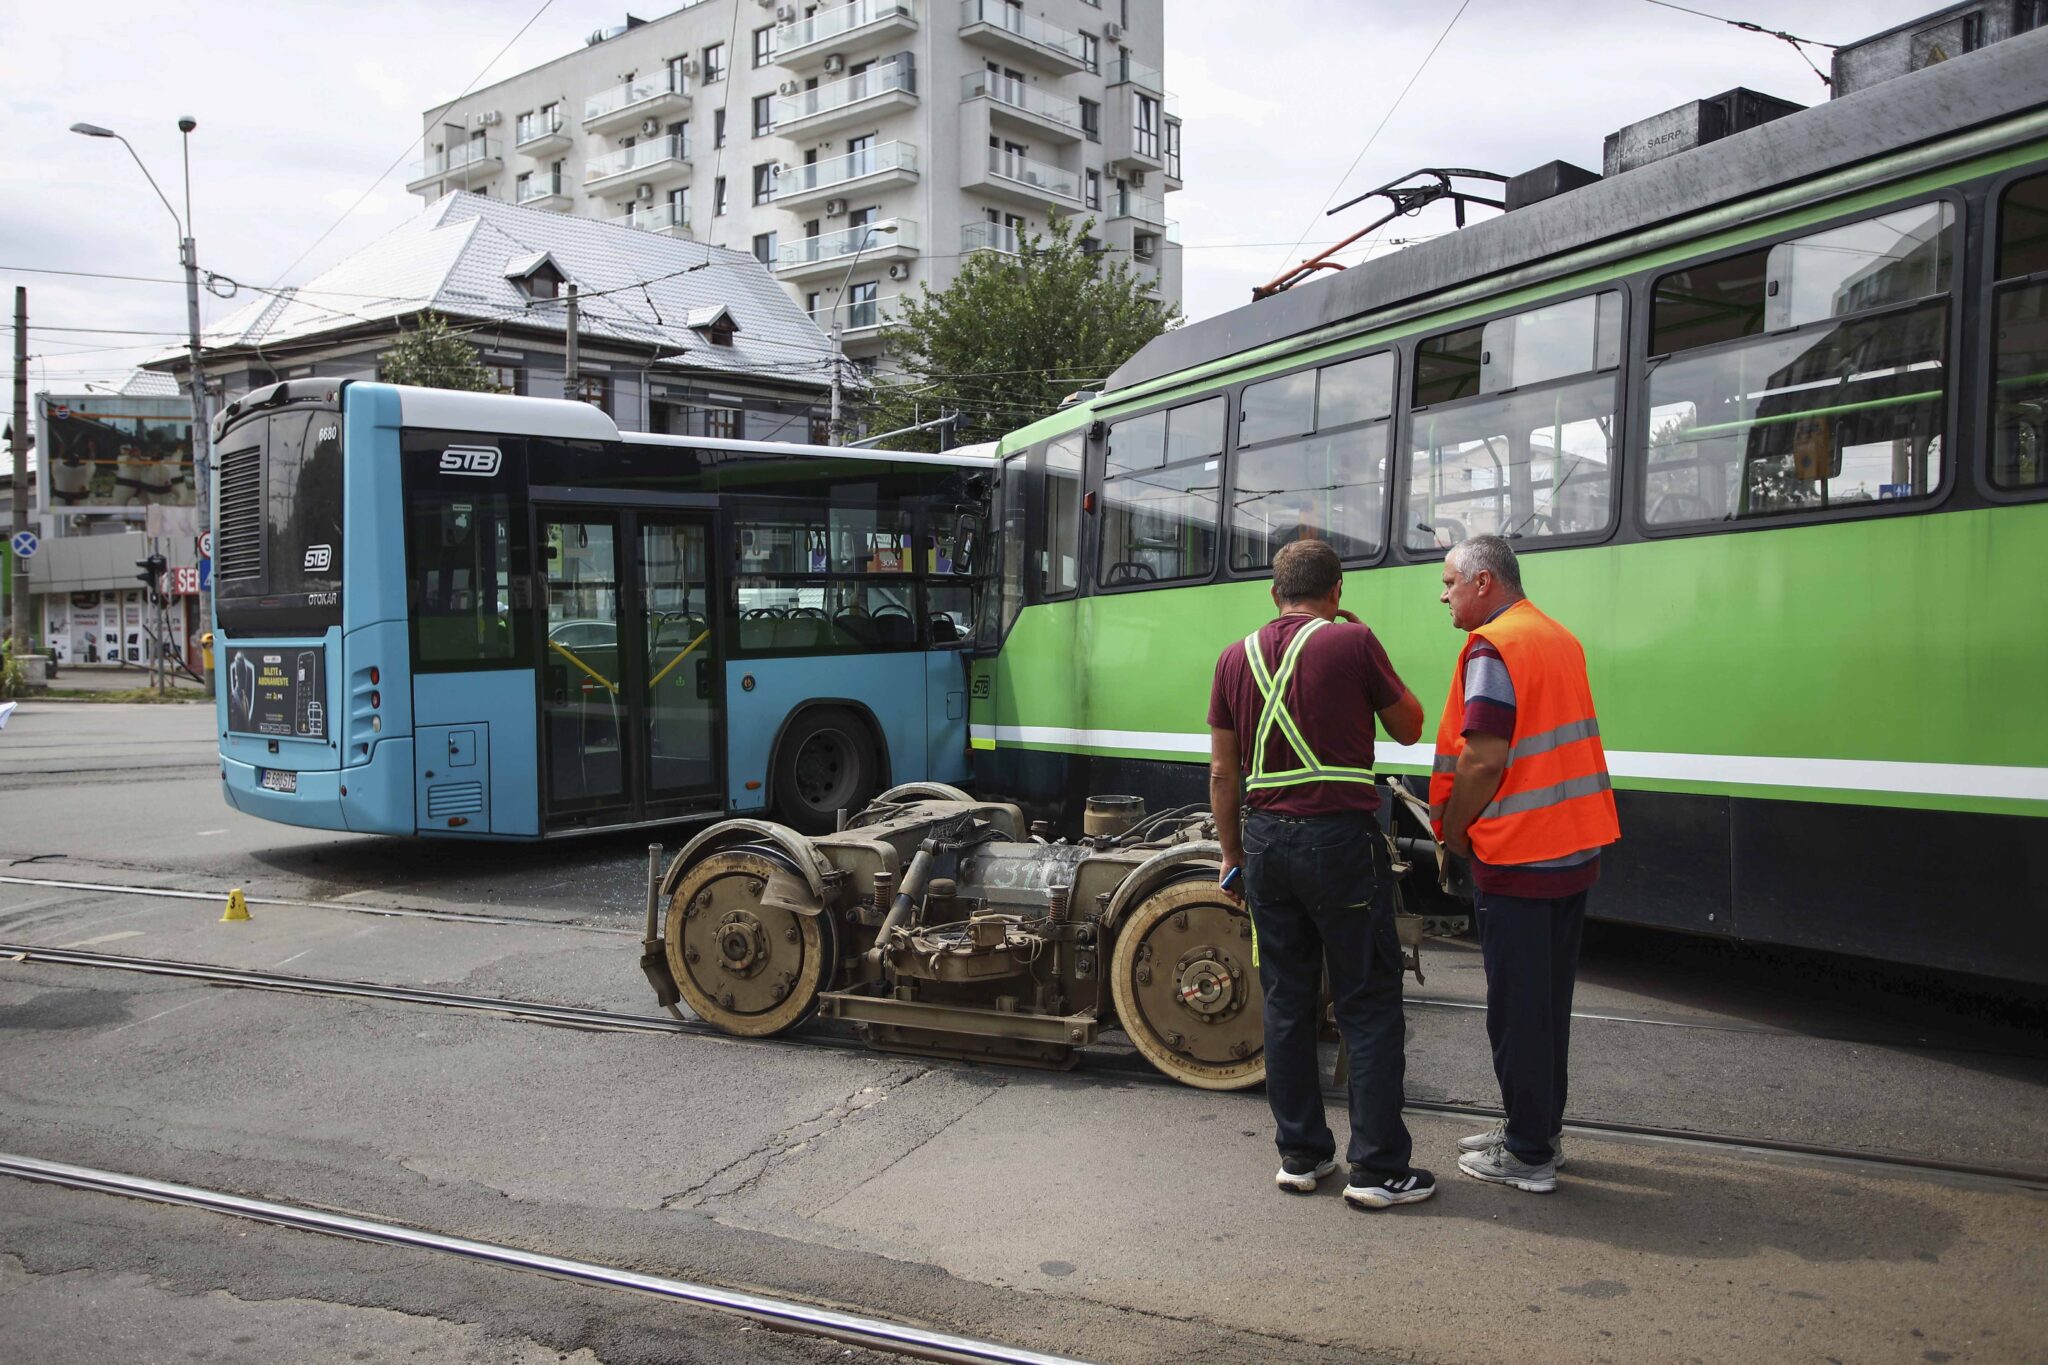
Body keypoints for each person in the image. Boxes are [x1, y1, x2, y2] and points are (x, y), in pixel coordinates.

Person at [1208, 539, 1434, 1210]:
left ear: (1274, 593)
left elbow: (1224, 773)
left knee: (1286, 999)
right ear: (1335, 589)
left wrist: (1231, 856)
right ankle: (1378, 1169)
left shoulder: (1233, 658)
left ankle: (1301, 1155)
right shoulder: (1350, 642)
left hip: (1265, 842)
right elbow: (1409, 727)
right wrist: (1358, 637)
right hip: (1339, 841)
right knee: (1366, 1002)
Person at [1430, 535, 1620, 1195]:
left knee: (1516, 1009)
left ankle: (1529, 1153)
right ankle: (1535, 1128)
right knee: (1548, 1004)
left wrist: (1454, 831)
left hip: (1519, 852)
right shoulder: (1557, 636)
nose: (1444, 596)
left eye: (1450, 582)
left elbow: (1483, 756)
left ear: (1484, 582)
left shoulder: (1493, 645)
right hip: (1571, 848)